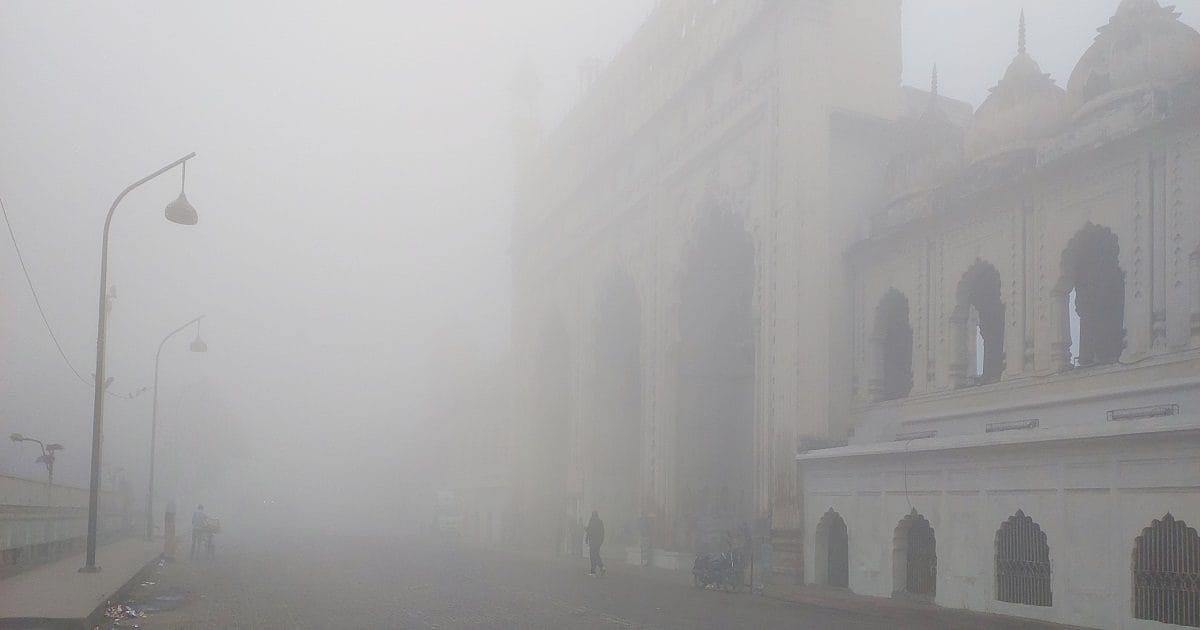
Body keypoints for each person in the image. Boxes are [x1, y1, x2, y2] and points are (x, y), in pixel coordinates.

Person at [585, 510, 605, 576]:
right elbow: (602, 532)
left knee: (593, 555)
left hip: (593, 541)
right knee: (596, 554)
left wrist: (586, 539)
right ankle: (601, 567)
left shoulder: (591, 521)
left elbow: (589, 530)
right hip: (598, 542)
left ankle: (594, 570)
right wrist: (601, 541)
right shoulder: (600, 522)